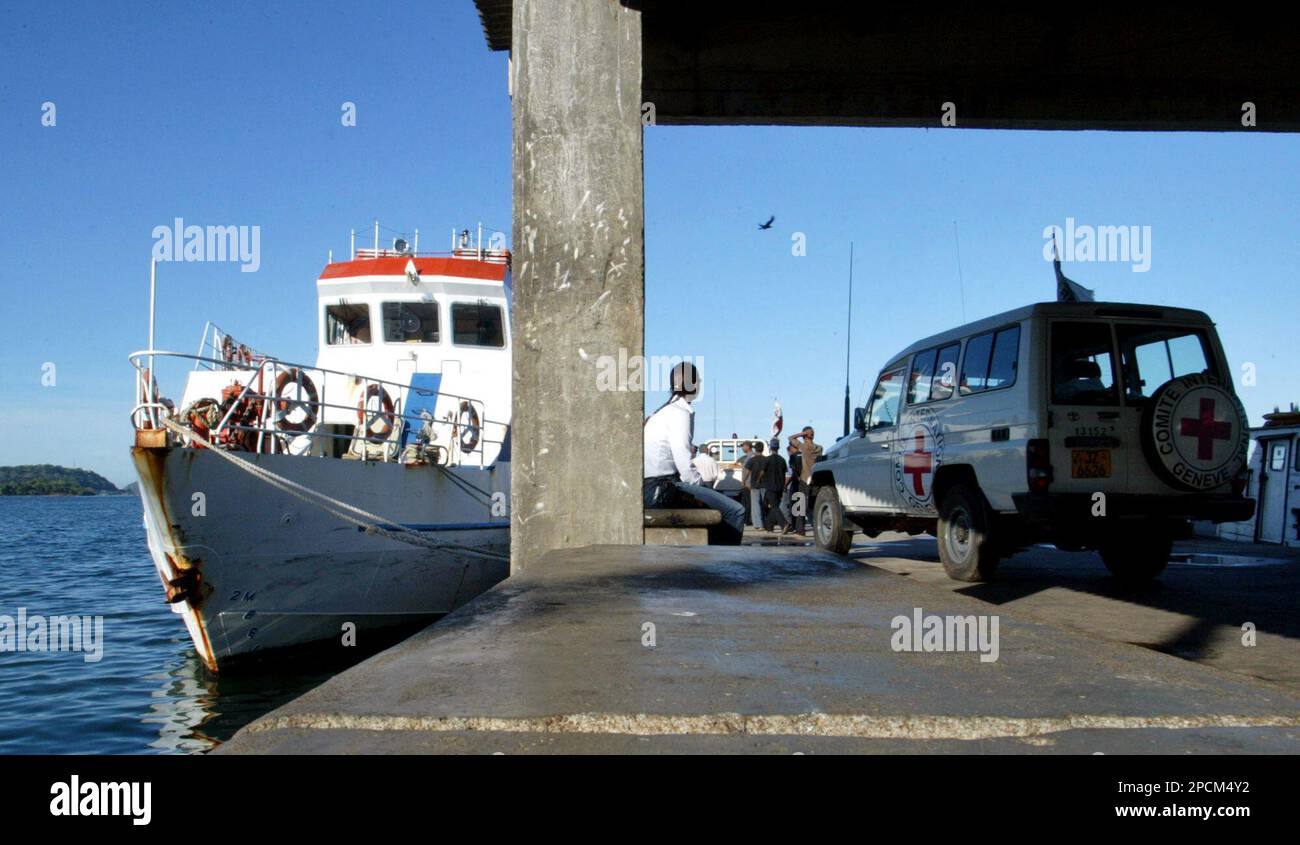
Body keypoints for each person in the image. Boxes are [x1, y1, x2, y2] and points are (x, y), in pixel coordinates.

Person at [643, 363, 746, 544]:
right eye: (698, 381)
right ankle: (725, 565)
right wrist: (703, 488)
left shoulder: (662, 411)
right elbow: (684, 463)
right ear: (691, 384)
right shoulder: (680, 413)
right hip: (663, 488)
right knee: (736, 511)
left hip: (652, 487)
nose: (699, 384)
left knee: (713, 506)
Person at [789, 426, 823, 535]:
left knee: (801, 506)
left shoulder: (803, 447)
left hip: (805, 478)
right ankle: (818, 528)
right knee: (814, 505)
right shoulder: (819, 448)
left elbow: (790, 438)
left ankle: (800, 530)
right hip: (816, 478)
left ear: (805, 436)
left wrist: (802, 433)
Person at [761, 437, 789, 532]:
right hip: (780, 487)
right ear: (778, 448)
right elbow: (785, 473)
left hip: (770, 486)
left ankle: (784, 524)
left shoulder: (767, 459)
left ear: (770, 448)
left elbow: (762, 472)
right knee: (774, 506)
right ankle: (769, 526)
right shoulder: (782, 460)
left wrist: (759, 480)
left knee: (773, 507)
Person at [744, 440, 767, 528]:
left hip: (754, 485)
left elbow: (747, 472)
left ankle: (758, 524)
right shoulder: (766, 459)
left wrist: (744, 481)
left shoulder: (751, 460)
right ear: (763, 449)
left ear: (755, 449)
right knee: (763, 504)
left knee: (755, 505)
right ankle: (764, 523)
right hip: (765, 485)